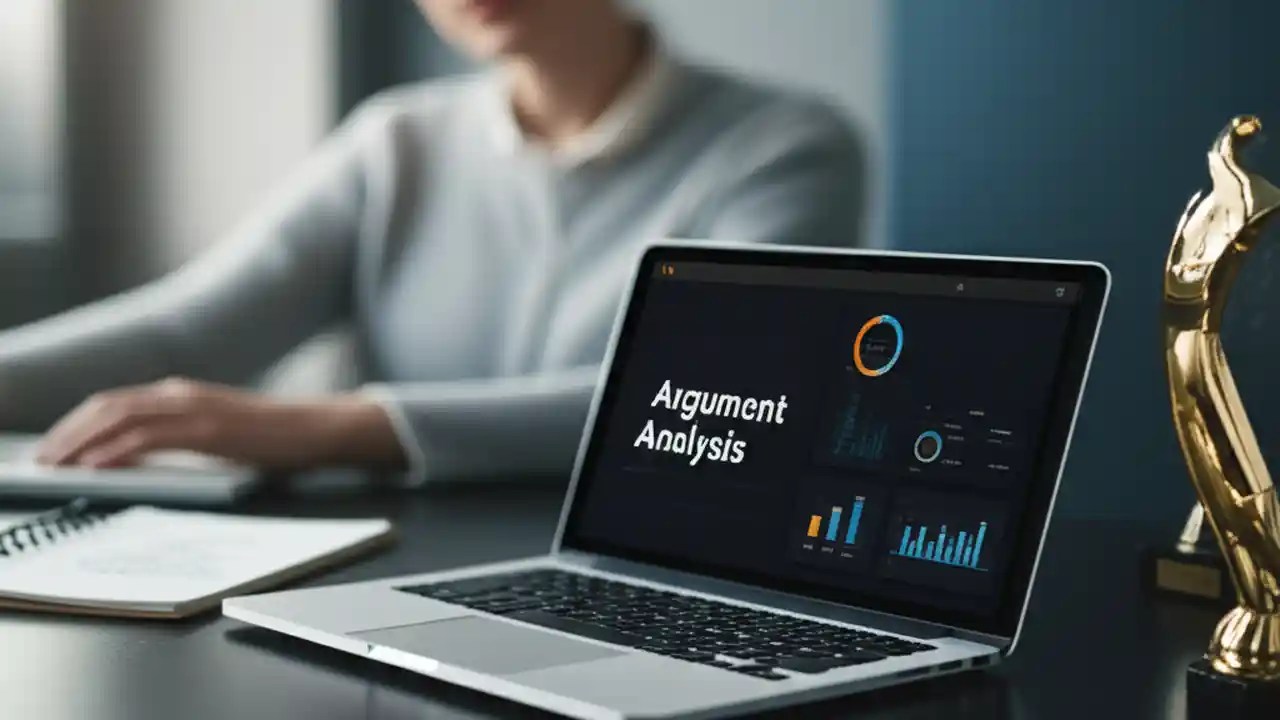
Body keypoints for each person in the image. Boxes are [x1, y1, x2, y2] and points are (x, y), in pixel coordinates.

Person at [0, 0, 864, 481]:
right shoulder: (396, 144)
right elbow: (186, 333)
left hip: (647, 587)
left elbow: (716, 401)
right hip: (389, 585)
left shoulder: (785, 147)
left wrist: (335, 427)